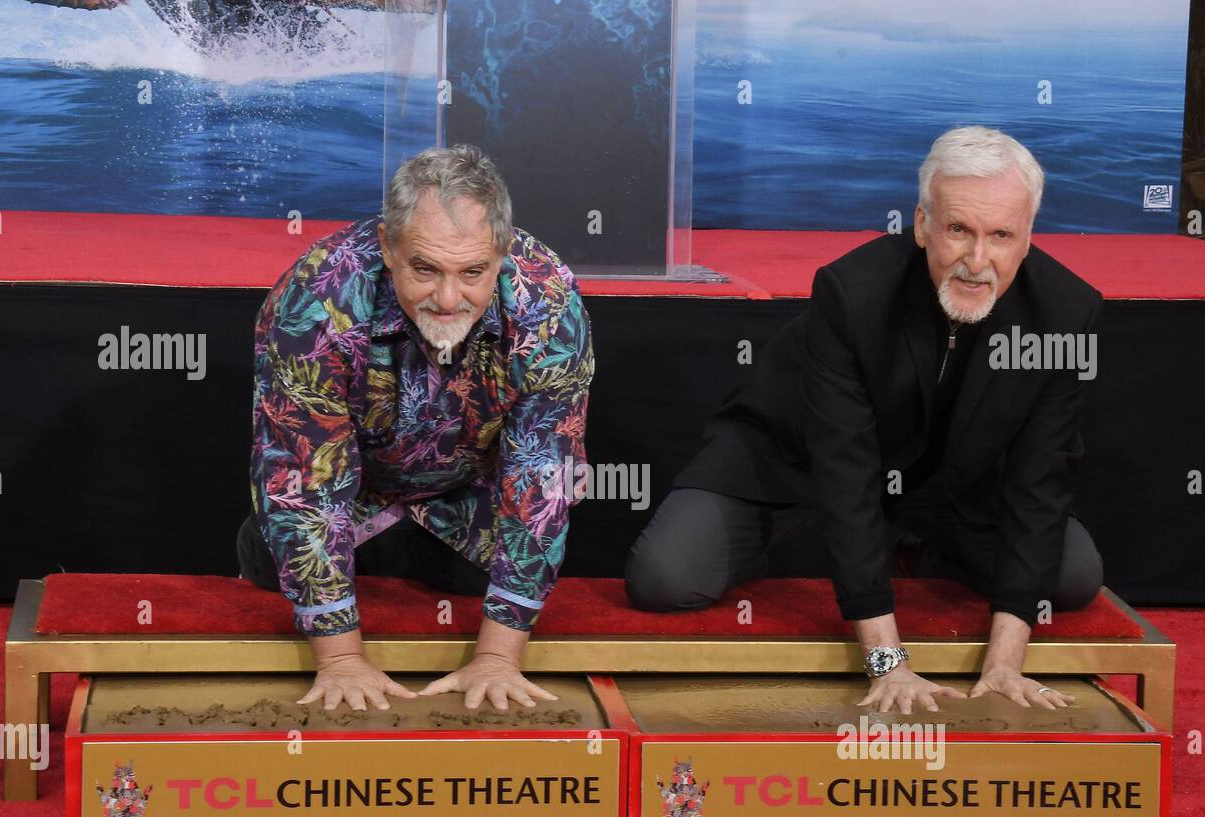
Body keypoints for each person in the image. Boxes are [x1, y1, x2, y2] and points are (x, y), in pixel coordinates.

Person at [625, 126, 1103, 716]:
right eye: (958, 230)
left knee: (1073, 574)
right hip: (798, 470)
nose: (977, 262)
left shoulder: (1064, 312)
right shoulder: (853, 293)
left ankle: (914, 546)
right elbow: (843, 466)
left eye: (1001, 235)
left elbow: (1041, 479)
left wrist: (1005, 663)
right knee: (666, 576)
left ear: (1028, 238)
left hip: (944, 491)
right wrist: (887, 662)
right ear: (922, 224)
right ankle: (829, 553)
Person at [238, 144, 594, 713]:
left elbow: (542, 473)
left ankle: (404, 551)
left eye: (473, 272)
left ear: (501, 253)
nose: (449, 299)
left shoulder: (547, 302)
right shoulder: (316, 297)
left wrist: (498, 658)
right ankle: (370, 556)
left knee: (483, 578)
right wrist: (341, 660)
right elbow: (306, 474)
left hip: (466, 496)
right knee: (265, 558)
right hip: (352, 490)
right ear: (388, 247)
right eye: (425, 269)